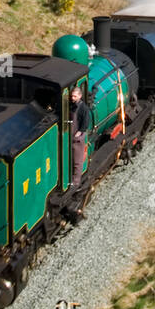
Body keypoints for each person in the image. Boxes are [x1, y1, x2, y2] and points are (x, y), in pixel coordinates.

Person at [68, 85, 93, 219]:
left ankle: (76, 181)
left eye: (74, 96)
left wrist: (79, 133)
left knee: (77, 161)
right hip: (71, 137)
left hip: (77, 137)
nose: (72, 98)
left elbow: (85, 122)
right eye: (71, 96)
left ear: (80, 96)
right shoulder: (72, 105)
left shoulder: (83, 108)